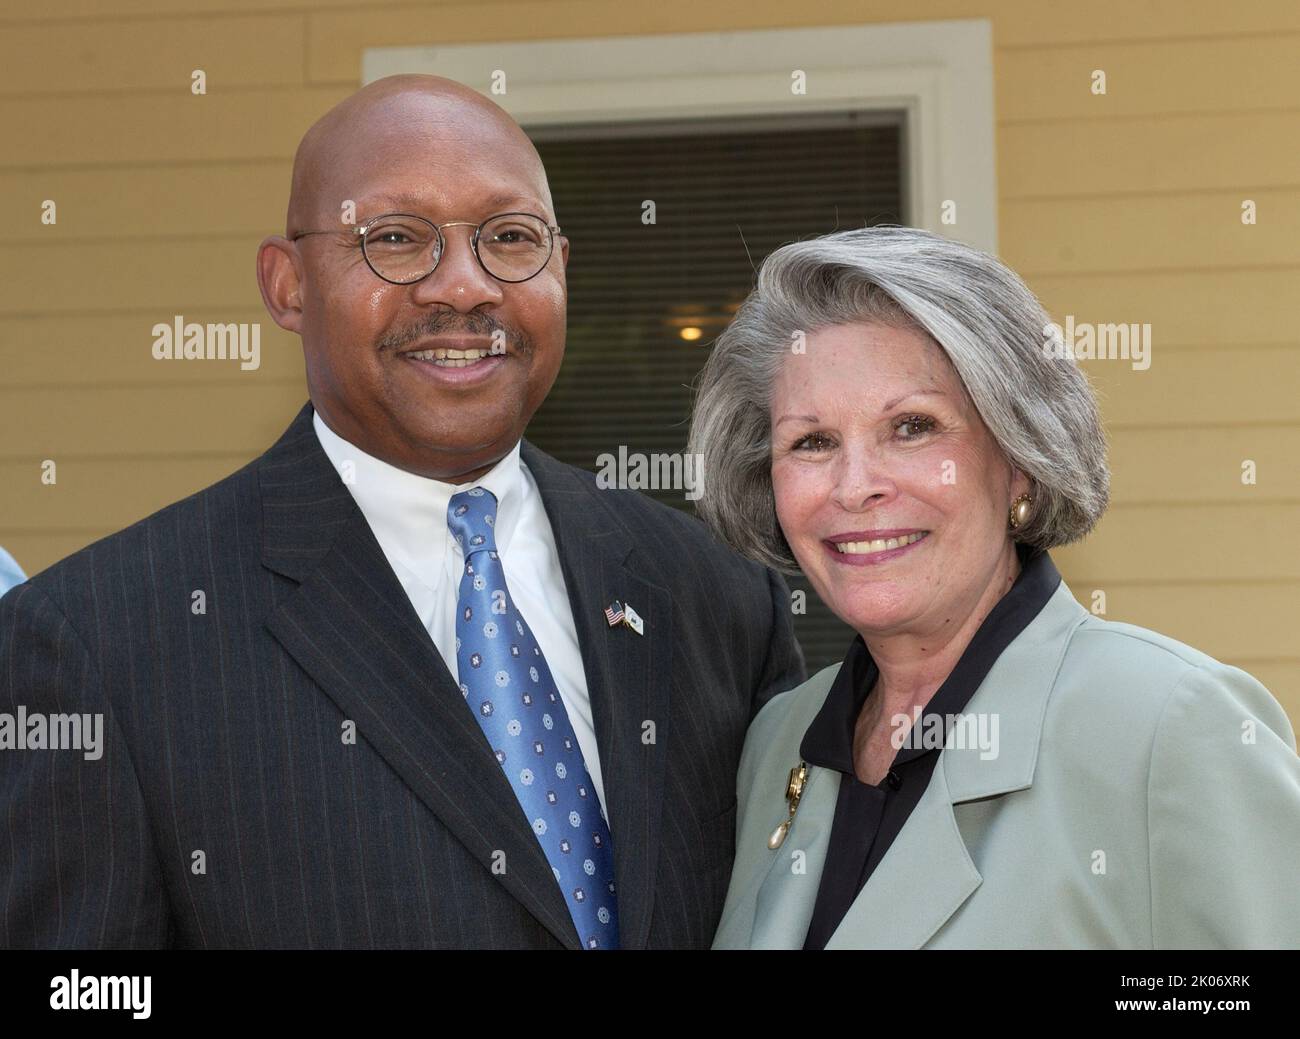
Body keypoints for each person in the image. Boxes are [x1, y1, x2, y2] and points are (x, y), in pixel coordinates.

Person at [0, 75, 804, 950]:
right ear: (288, 285)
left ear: (559, 268)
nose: (463, 288)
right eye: (394, 238)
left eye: (508, 237)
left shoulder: (717, 596)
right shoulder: (95, 642)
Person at [692, 225, 1300, 949]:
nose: (854, 488)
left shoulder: (1168, 726)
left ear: (1017, 460)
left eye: (912, 427)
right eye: (812, 442)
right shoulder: (779, 742)